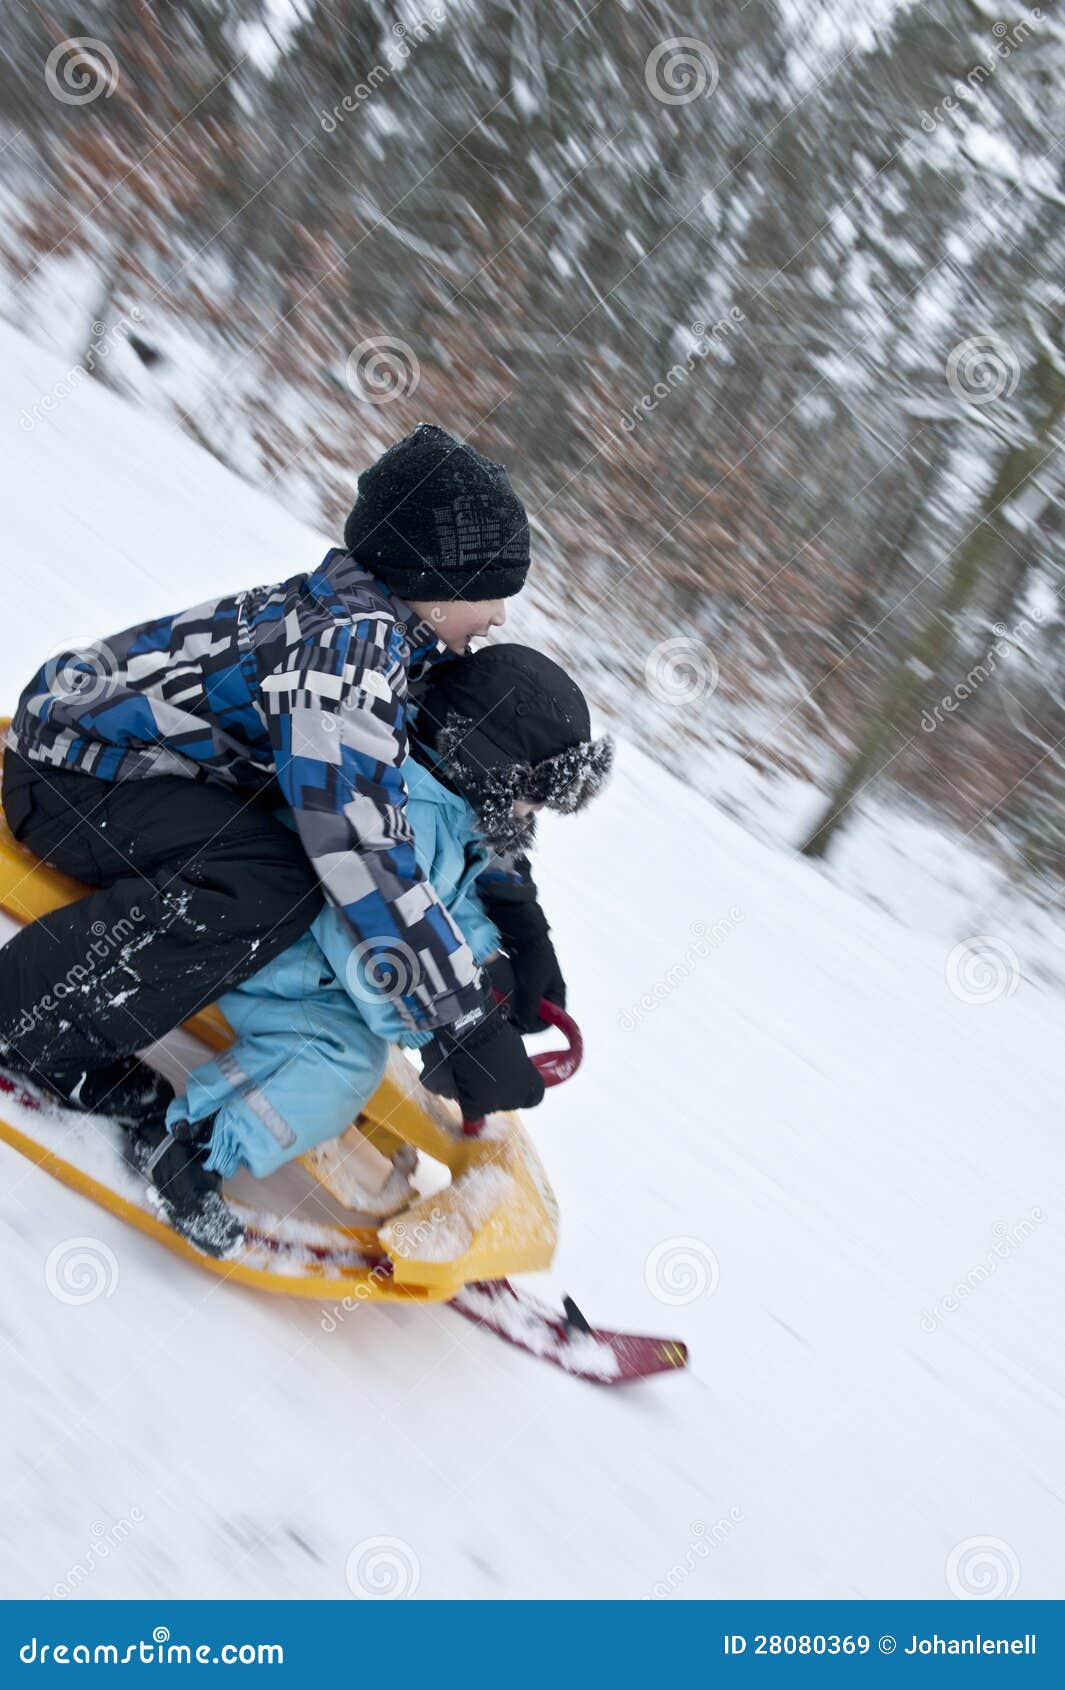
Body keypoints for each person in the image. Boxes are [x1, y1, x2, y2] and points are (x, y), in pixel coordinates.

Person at [0, 424, 545, 1182]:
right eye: (490, 591)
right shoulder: (343, 664)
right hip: (73, 778)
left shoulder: (383, 635)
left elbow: (418, 792)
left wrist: (514, 910)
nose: (499, 617)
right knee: (269, 883)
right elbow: (361, 850)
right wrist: (457, 1019)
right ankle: (34, 1028)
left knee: (280, 868)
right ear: (435, 580)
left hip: (124, 761)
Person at [133, 644, 613, 1254]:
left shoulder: (440, 800)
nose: (539, 809)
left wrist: (490, 968)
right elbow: (367, 942)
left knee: (373, 1034)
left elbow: (439, 905)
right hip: (286, 951)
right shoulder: (410, 809)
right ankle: (194, 1148)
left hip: (313, 943)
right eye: (538, 789)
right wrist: (440, 1029)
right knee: (345, 1057)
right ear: (493, 764)